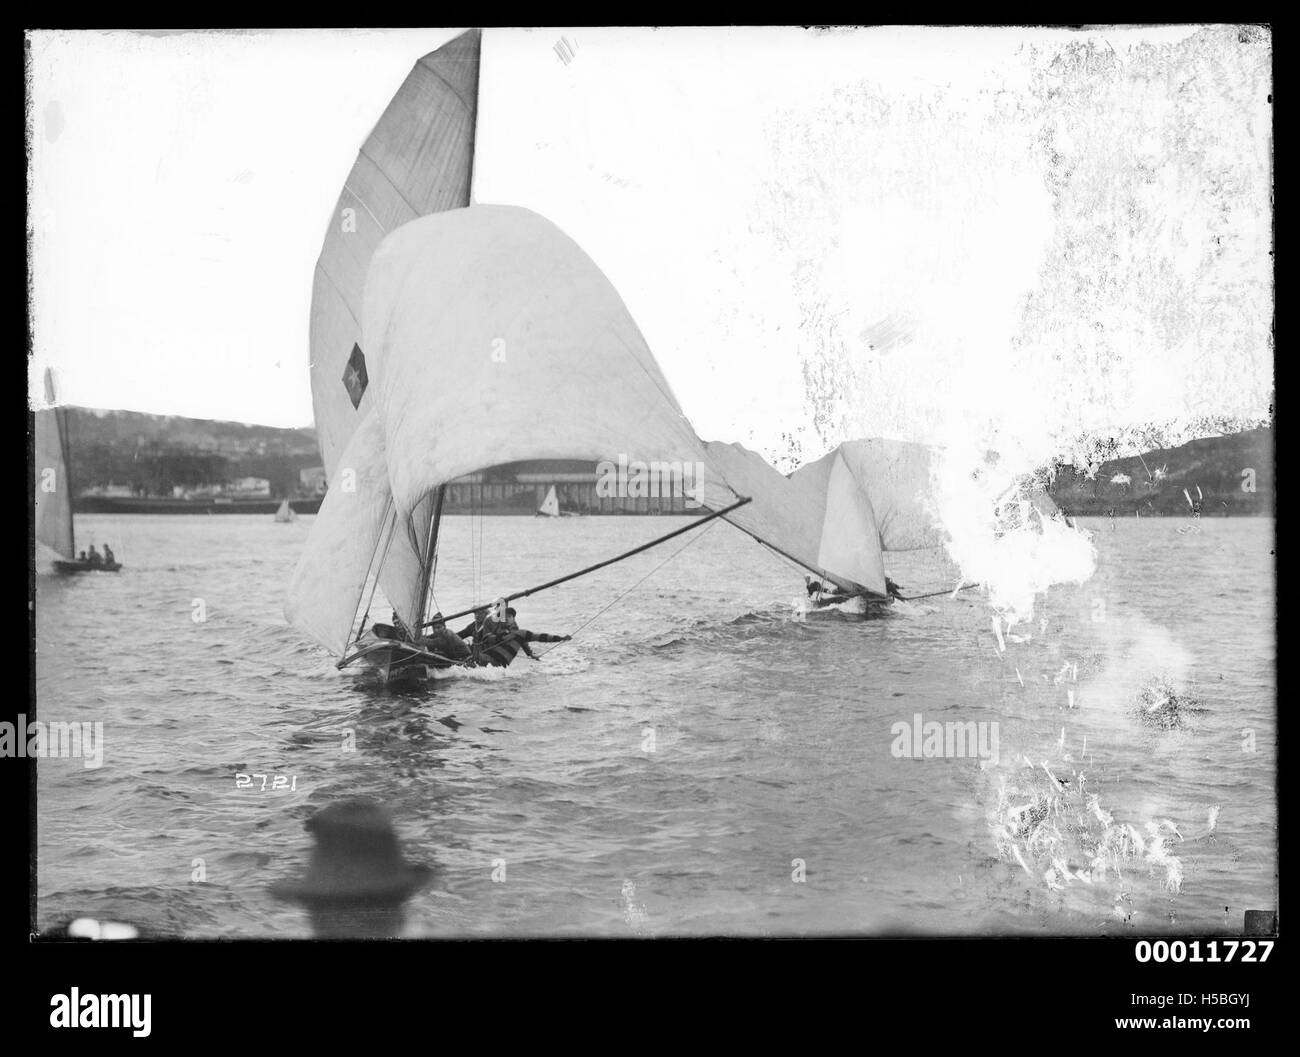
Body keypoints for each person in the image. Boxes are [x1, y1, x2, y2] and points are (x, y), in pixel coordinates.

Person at [475, 608, 570, 668]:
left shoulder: (520, 633)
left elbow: (540, 637)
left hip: (498, 666)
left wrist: (560, 638)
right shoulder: (496, 630)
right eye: (504, 617)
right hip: (486, 658)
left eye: (509, 616)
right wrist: (501, 636)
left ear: (513, 618)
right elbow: (487, 638)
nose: (507, 619)